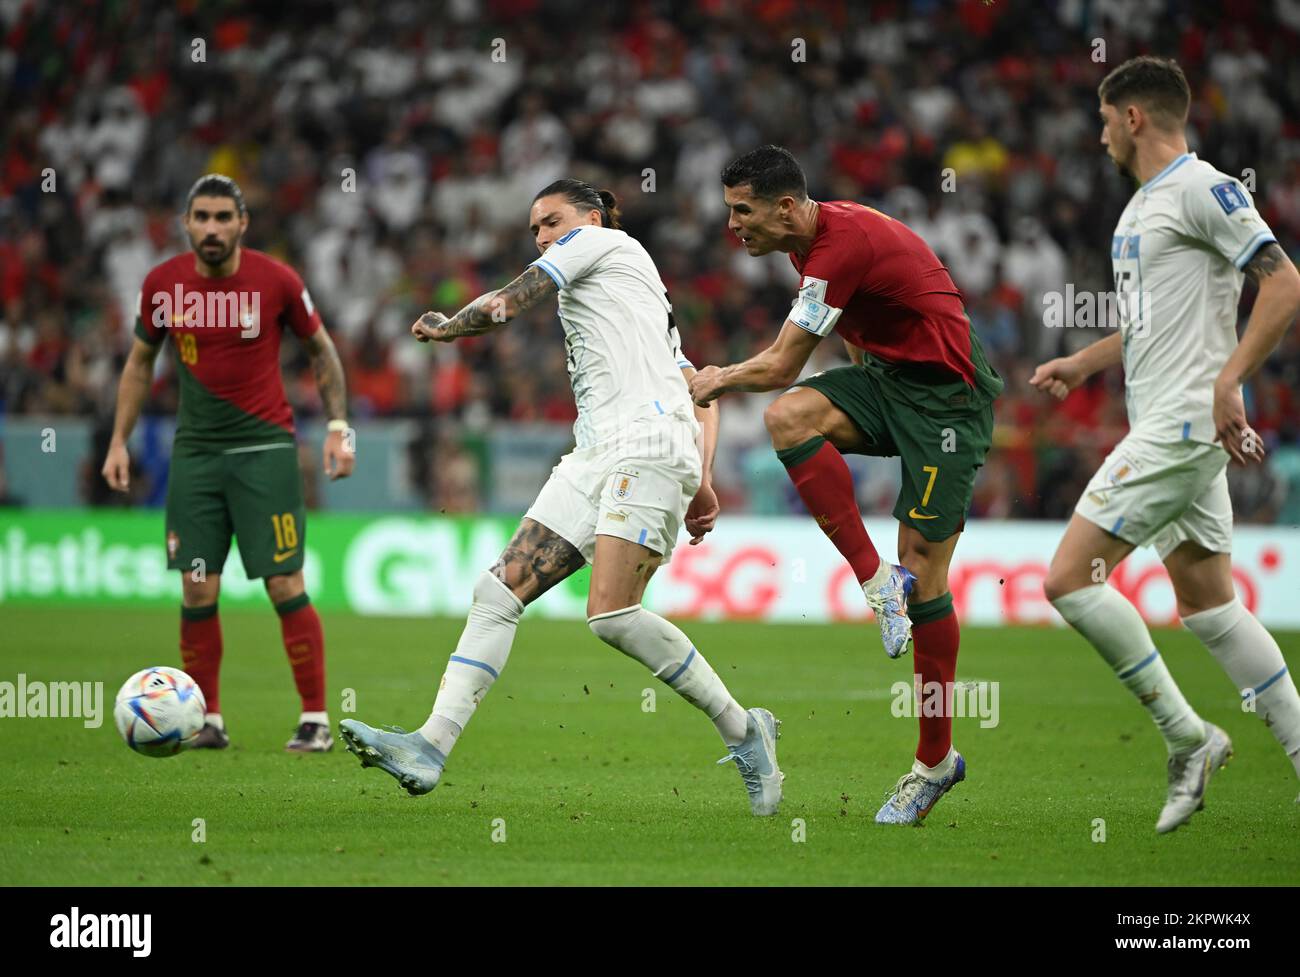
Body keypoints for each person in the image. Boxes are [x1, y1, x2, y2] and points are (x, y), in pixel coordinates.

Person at [339, 179, 782, 815]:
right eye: (535, 230)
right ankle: (429, 746)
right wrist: (704, 477)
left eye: (551, 222)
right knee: (498, 593)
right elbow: (696, 387)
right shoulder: (636, 297)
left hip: (646, 447)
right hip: (599, 451)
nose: (543, 236)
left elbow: (507, 303)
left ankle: (744, 730)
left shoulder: (600, 241)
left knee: (611, 615)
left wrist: (445, 328)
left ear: (590, 219)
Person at [688, 145, 1003, 824]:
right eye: (728, 211)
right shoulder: (807, 246)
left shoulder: (835, 246)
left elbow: (777, 365)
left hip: (949, 399)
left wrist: (713, 378)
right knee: (790, 418)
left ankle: (933, 762)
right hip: (891, 380)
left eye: (742, 211)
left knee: (927, 572)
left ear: (787, 207)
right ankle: (873, 579)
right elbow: (859, 322)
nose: (732, 226)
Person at [1032, 56, 1300, 832]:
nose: (1101, 132)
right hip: (1167, 421)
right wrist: (1084, 361)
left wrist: (1230, 380)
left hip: (1184, 423)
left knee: (1069, 580)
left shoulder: (1204, 188)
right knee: (1211, 605)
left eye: (1105, 118)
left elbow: (1284, 283)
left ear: (1135, 118)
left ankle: (1190, 736)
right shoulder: (1145, 208)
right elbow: (1157, 321)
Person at [102, 174, 355, 752]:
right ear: (186, 223)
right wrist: (120, 439)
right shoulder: (163, 285)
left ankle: (314, 717)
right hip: (194, 457)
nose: (212, 228)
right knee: (196, 587)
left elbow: (323, 352)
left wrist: (341, 430)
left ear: (242, 223)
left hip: (264, 452)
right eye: (201, 217)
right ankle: (207, 720)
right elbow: (140, 363)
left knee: (283, 580)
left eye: (223, 217)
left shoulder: (277, 280)